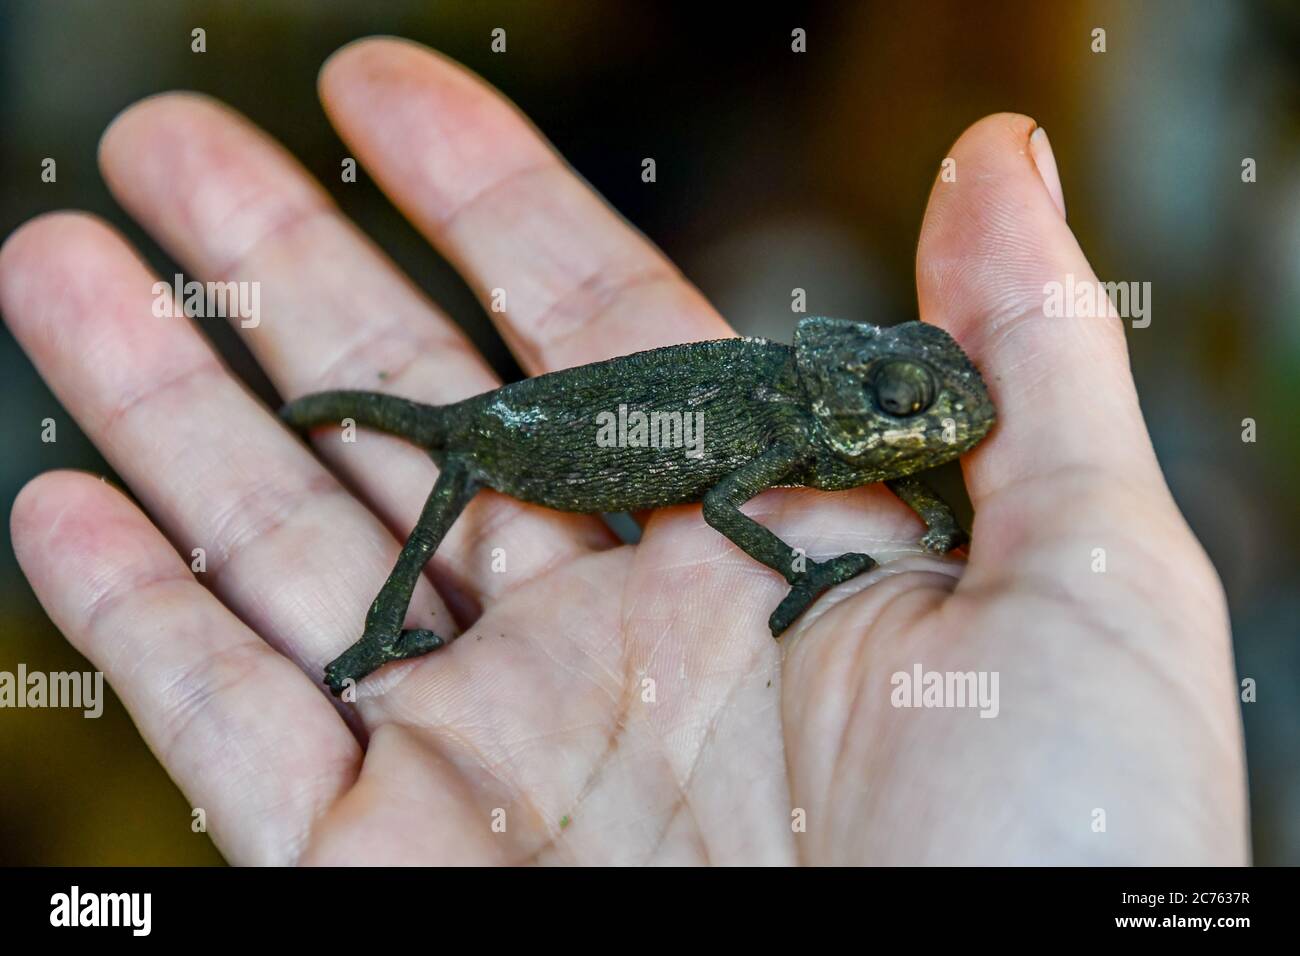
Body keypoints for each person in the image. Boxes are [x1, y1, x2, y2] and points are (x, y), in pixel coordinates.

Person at [0, 37, 1247, 865]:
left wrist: (926, 505)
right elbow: (727, 511)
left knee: (444, 443)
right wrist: (803, 575)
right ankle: (378, 628)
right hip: (509, 443)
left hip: (556, 424)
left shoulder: (803, 414)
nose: (921, 428)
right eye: (896, 399)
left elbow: (802, 472)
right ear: (840, 390)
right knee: (449, 467)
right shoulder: (777, 425)